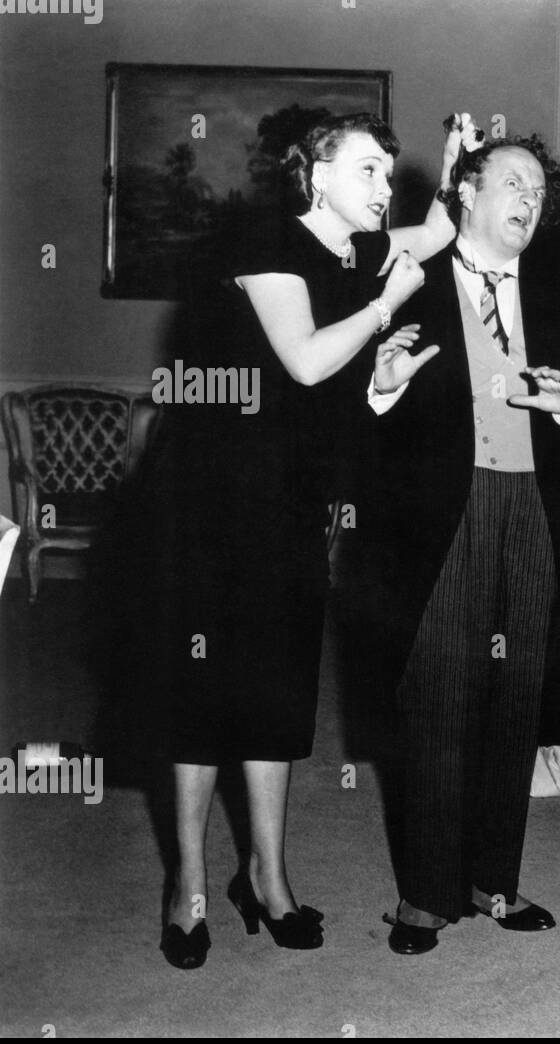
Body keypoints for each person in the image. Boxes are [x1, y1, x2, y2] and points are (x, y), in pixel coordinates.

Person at [115, 112, 459, 970]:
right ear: (316, 177)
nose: (387, 186)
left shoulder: (356, 251)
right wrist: (385, 309)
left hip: (290, 504)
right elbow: (304, 361)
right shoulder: (267, 237)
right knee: (202, 696)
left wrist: (380, 386)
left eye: (390, 170)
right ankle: (188, 885)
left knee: (276, 687)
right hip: (204, 503)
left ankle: (267, 878)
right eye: (371, 170)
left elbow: (441, 235)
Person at [349, 133, 560, 955]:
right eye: (513, 182)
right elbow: (346, 396)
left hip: (530, 511)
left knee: (514, 696)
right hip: (440, 514)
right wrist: (380, 385)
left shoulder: (554, 295)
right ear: (465, 191)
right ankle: (426, 894)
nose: (530, 202)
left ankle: (493, 878)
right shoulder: (407, 281)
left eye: (540, 192)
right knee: (437, 695)